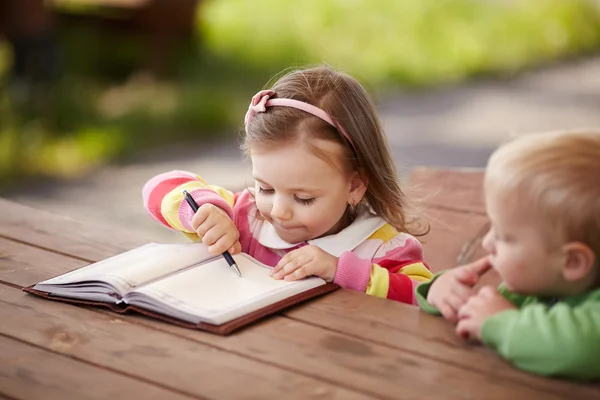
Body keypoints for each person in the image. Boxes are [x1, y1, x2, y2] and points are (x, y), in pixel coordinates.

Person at [143, 65, 432, 305]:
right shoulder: (243, 215)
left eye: (303, 198)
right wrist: (202, 210)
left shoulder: (381, 248)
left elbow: (428, 299)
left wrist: (340, 270)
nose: (279, 211)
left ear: (355, 185)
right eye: (266, 189)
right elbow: (157, 188)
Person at [416, 131, 600, 380]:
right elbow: (477, 313)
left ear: (572, 262)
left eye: (504, 236)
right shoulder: (533, 288)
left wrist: (499, 322)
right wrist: (442, 290)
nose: (487, 242)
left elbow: (579, 348)